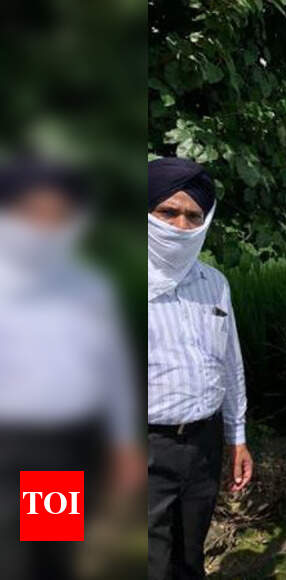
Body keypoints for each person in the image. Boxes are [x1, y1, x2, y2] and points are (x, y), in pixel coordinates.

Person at [0, 160, 140, 580]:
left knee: (49, 556)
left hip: (61, 447)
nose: (45, 227)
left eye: (57, 215)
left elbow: (113, 367)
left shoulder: (87, 285)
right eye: (33, 212)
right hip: (8, 444)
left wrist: (123, 440)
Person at [147, 157, 253, 580]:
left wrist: (237, 436)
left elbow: (230, 364)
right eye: (167, 212)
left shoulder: (214, 283)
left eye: (193, 215)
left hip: (202, 446)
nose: (180, 225)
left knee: (189, 558)